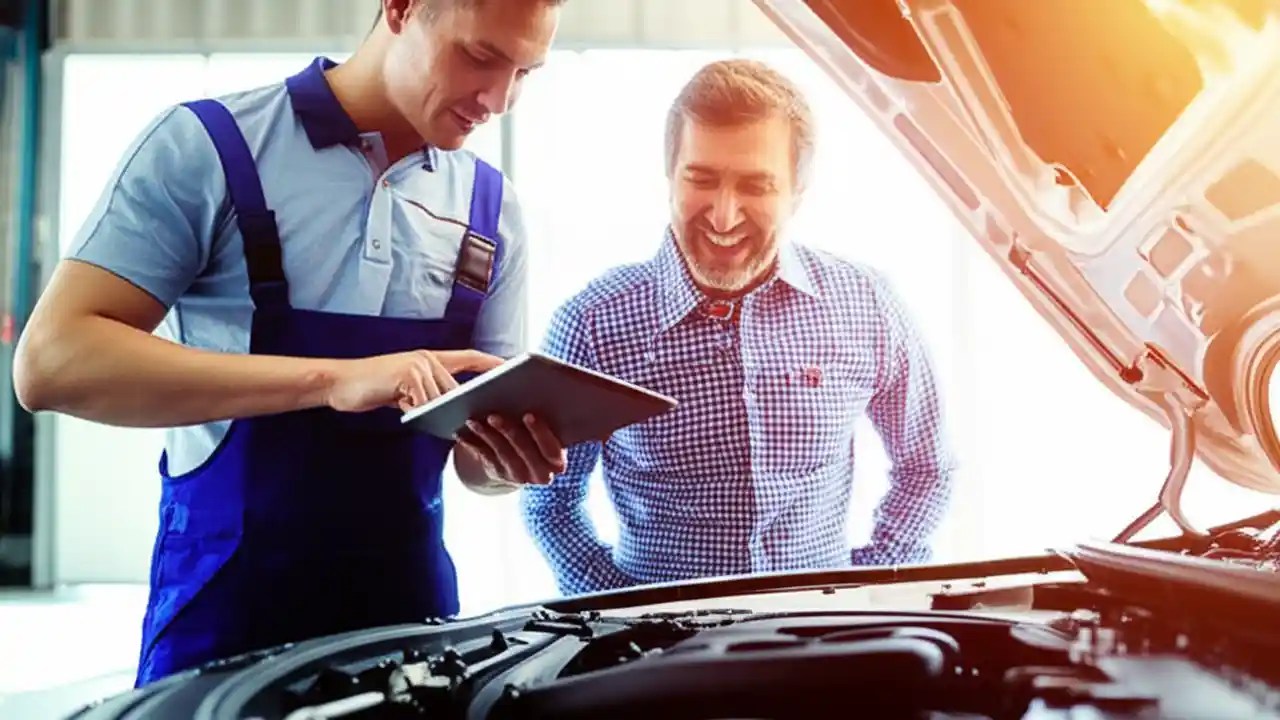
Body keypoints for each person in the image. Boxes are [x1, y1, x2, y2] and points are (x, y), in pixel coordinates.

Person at [14, 0, 569, 686]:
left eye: (525, 73)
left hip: (410, 632)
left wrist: (509, 458)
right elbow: (51, 363)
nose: (500, 99)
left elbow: (476, 468)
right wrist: (335, 380)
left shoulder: (493, 209)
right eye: (481, 57)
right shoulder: (208, 148)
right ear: (401, 7)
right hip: (222, 626)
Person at [521, 59, 958, 596]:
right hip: (656, 638)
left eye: (756, 185)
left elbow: (928, 467)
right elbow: (549, 503)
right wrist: (623, 614)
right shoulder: (592, 323)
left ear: (798, 190)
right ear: (669, 176)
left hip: (823, 630)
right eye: (701, 179)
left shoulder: (867, 304)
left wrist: (866, 589)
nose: (724, 217)